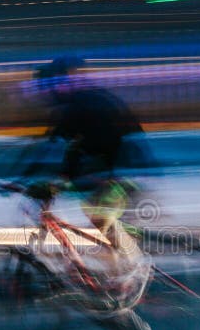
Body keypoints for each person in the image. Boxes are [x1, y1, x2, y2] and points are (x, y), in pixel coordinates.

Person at [27, 56, 149, 294]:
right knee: (94, 211)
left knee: (101, 213)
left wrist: (66, 179)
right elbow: (53, 148)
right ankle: (115, 277)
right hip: (109, 168)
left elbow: (100, 143)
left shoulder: (87, 103)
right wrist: (25, 180)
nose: (46, 93)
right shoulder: (70, 108)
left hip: (128, 167)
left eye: (50, 86)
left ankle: (136, 268)